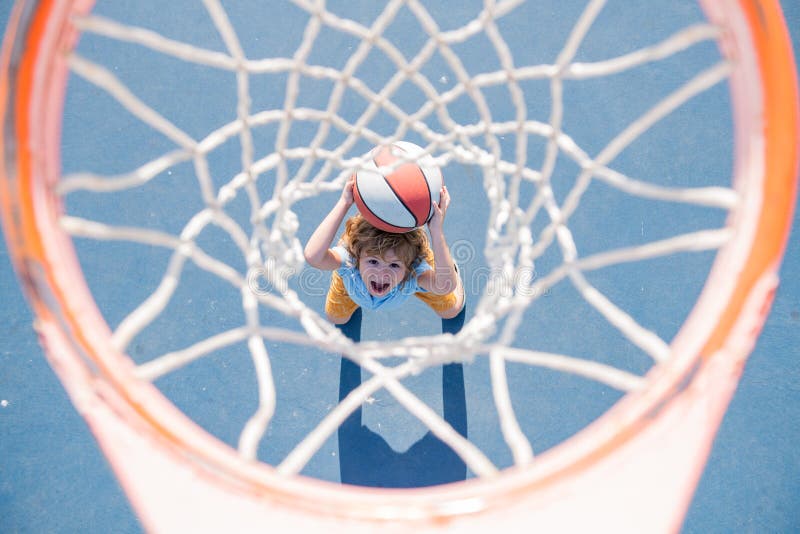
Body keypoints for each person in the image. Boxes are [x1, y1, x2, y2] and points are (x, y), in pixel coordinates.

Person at [303, 175, 465, 325]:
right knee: (337, 319)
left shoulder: (414, 272)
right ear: (357, 258)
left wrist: (436, 231)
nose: (381, 274)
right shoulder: (349, 261)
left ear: (408, 269)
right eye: (373, 262)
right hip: (354, 279)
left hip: (408, 258)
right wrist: (344, 203)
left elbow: (445, 284)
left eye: (393, 266)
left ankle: (449, 266)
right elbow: (313, 256)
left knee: (451, 311)